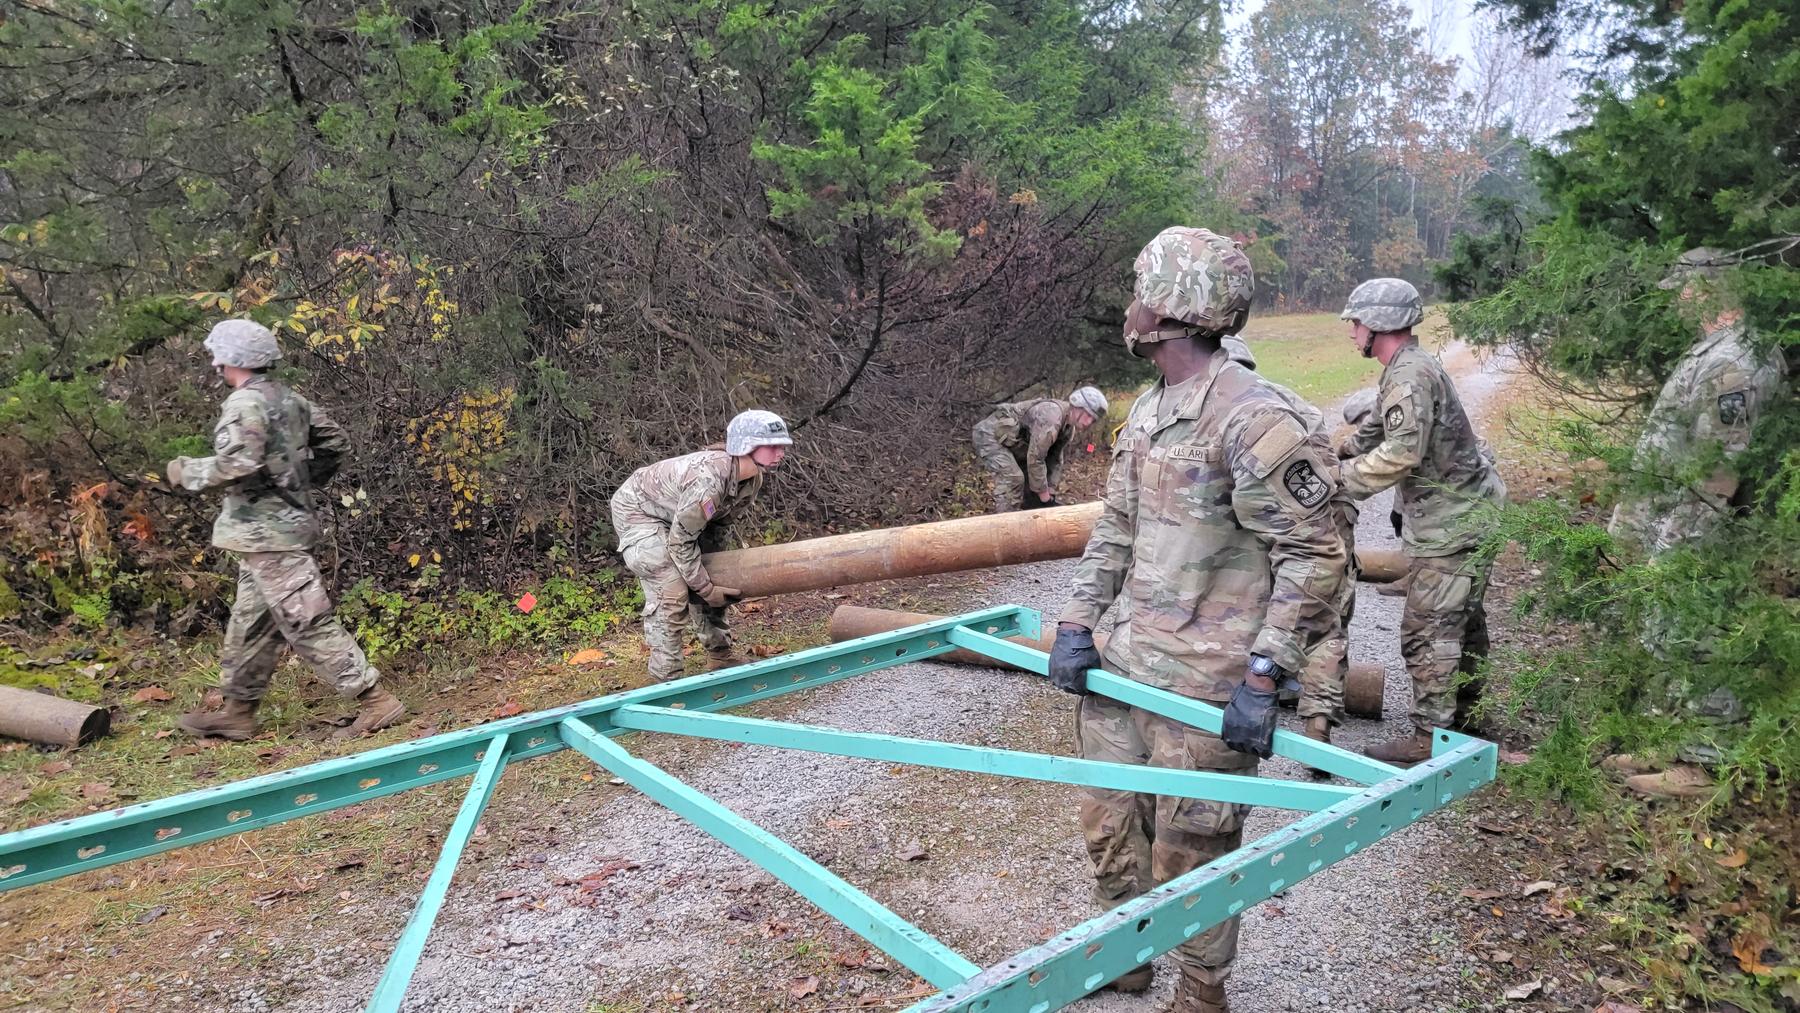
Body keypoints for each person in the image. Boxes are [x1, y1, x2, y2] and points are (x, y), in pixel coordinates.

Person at [1050, 227, 1347, 1012]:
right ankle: (1127, 955)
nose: (1129, 308)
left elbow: (1316, 554)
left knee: (1194, 851)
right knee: (1110, 825)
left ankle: (1200, 989)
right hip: (1124, 670)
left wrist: (1267, 671)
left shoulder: (1255, 418)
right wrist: (1077, 623)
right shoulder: (1150, 407)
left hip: (1206, 690)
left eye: (1140, 292)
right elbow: (1117, 525)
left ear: (1172, 309)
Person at [169, 319, 404, 741]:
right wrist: (298, 480)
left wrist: (187, 471)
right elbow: (335, 443)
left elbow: (239, 463)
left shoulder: (245, 403)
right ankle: (238, 712)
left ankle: (376, 700)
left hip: (268, 535)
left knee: (305, 619)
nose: (215, 362)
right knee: (251, 624)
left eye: (217, 354)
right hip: (272, 535)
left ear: (230, 359)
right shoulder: (291, 399)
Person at [1335, 279, 1505, 764]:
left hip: (1453, 524)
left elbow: (1401, 453)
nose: (1351, 331)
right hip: (1468, 515)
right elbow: (1379, 427)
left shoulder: (1409, 375)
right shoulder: (1407, 368)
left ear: (1379, 324)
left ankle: (1431, 738)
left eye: (1356, 322)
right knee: (1461, 621)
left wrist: (1339, 482)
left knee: (1428, 631)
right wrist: (1340, 451)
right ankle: (1466, 723)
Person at [1607, 248, 1788, 558]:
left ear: (1706, 290)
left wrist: (1671, 555)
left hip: (1684, 544)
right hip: (1659, 522)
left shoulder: (1733, 364)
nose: (1677, 300)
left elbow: (1717, 469)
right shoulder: (1723, 350)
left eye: (1682, 288)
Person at [1222, 336, 1354, 756]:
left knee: (1287, 605)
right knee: (1323, 619)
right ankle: (1317, 723)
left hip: (1302, 517)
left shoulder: (1238, 409)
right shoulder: (1288, 400)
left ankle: (1274, 701)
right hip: (1329, 511)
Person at [611, 410, 792, 681]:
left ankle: (721, 657)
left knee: (713, 575)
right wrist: (705, 589)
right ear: (747, 446)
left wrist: (710, 579)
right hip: (639, 514)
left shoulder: (752, 479)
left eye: (782, 446)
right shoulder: (708, 480)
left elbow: (717, 526)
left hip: (678, 519)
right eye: (772, 446)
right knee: (671, 590)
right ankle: (665, 681)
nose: (781, 452)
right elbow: (680, 542)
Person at [972, 386, 1108, 511]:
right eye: (1088, 415)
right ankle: (1004, 523)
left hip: (1013, 443)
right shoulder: (1052, 416)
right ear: (1077, 406)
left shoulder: (1068, 429)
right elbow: (1036, 458)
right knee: (1014, 479)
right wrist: (1045, 498)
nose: (1089, 422)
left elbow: (1055, 460)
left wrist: (1050, 491)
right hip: (990, 435)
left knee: (1032, 491)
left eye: (1093, 419)